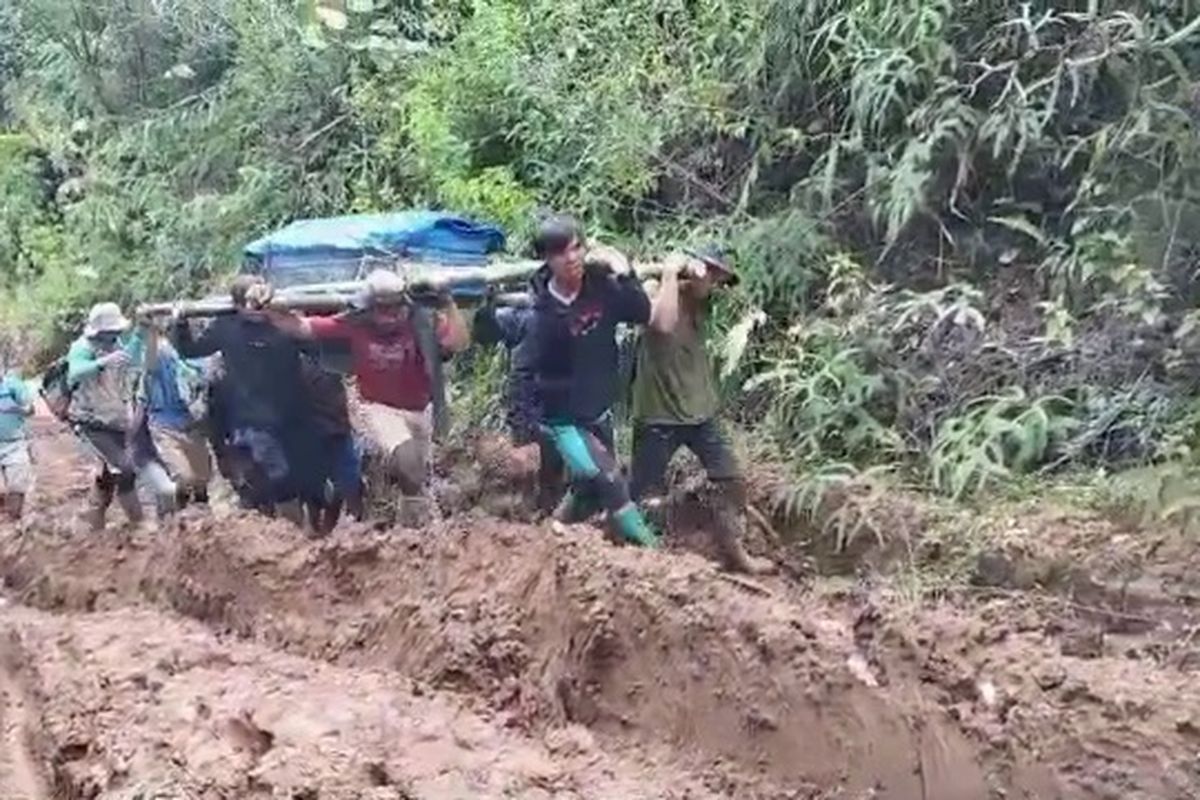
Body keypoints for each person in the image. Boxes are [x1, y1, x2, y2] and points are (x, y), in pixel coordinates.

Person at [266, 269, 469, 524]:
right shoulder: (354, 324)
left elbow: (458, 343)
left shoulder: (422, 321)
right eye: (382, 310)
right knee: (409, 463)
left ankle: (411, 531)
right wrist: (268, 306)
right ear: (369, 308)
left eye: (395, 309)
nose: (389, 317)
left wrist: (448, 304)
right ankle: (417, 529)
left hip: (420, 408)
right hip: (378, 407)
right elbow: (299, 328)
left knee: (416, 475)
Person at [630, 245, 773, 574]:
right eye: (713, 272)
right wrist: (669, 272)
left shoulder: (701, 302)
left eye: (719, 278)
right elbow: (661, 323)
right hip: (658, 415)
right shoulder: (655, 290)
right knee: (640, 491)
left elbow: (706, 291)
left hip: (701, 414)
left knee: (731, 478)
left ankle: (734, 552)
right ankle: (621, 549)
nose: (714, 283)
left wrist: (699, 277)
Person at [526, 214, 657, 547]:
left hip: (598, 410)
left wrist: (625, 272)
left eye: (576, 248)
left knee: (589, 487)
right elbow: (529, 369)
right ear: (546, 259)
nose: (571, 258)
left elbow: (642, 313)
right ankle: (653, 551)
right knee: (610, 479)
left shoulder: (602, 289)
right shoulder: (540, 309)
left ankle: (548, 539)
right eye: (560, 253)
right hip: (563, 421)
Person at [172, 276, 309, 524]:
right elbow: (190, 350)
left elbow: (318, 342)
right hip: (250, 418)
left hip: (293, 416)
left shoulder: (283, 324)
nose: (255, 309)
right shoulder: (227, 327)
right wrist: (180, 323)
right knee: (279, 476)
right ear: (237, 304)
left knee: (303, 480)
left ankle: (284, 529)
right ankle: (292, 534)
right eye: (248, 303)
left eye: (260, 302)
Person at [67, 302, 175, 529]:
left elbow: (131, 360)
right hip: (90, 422)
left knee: (113, 469)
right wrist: (102, 362)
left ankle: (92, 517)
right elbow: (75, 372)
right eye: (112, 331)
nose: (116, 334)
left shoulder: (116, 344)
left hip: (115, 420)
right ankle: (138, 522)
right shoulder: (82, 347)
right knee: (124, 467)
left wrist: (140, 332)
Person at [471, 296, 564, 512]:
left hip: (548, 398)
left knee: (541, 452)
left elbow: (521, 378)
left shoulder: (528, 327)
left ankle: (542, 504)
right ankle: (547, 500)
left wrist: (521, 428)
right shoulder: (521, 316)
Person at [135, 327, 213, 510]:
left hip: (192, 425)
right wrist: (151, 332)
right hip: (165, 425)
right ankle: (178, 522)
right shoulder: (160, 353)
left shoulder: (196, 358)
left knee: (201, 480)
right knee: (183, 476)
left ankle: (204, 521)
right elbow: (150, 363)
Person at [0, 358, 35, 522]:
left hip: (14, 443)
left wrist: (17, 409)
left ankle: (14, 523)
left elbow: (30, 410)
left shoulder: (12, 386)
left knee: (17, 486)